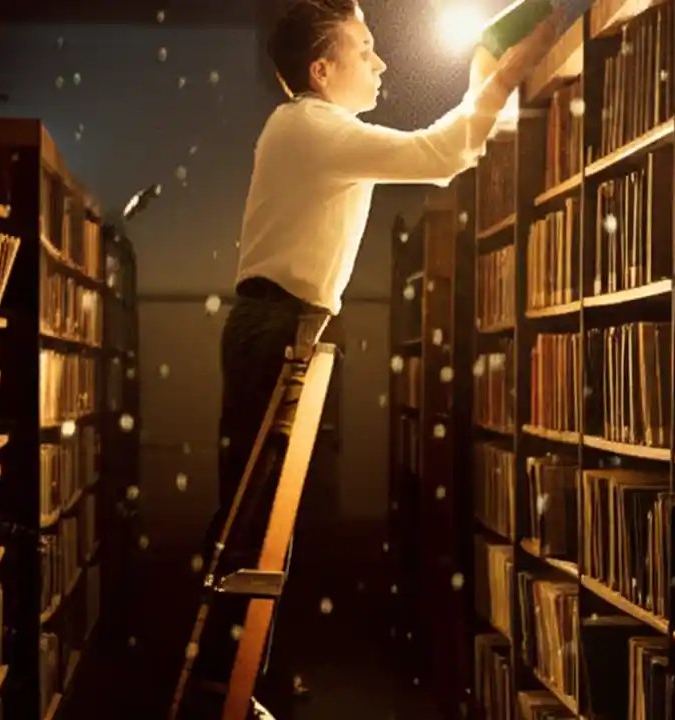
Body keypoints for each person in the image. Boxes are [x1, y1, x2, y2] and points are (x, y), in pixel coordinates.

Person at [190, 0, 562, 715]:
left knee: (265, 519)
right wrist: (497, 68)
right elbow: (443, 154)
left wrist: (489, 74)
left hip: (280, 326)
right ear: (321, 71)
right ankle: (231, 689)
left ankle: (242, 683)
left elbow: (445, 151)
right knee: (256, 517)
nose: (382, 61)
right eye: (364, 49)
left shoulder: (319, 129)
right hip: (276, 327)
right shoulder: (311, 126)